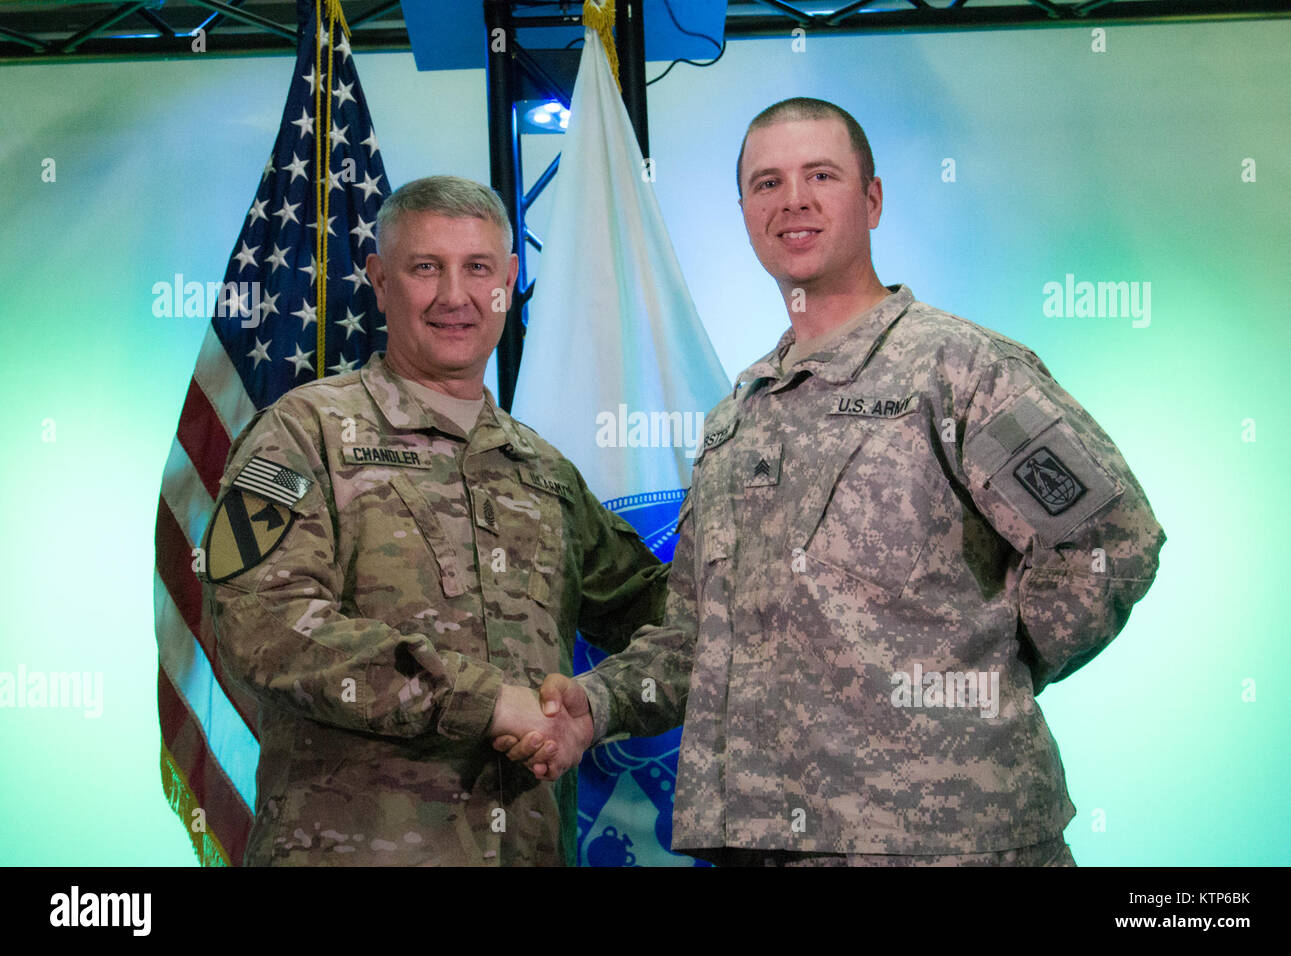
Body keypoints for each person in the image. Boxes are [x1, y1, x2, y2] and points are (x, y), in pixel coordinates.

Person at [496, 98, 1166, 866]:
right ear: (746, 211)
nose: (794, 202)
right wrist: (596, 704)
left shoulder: (961, 372)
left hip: (951, 843)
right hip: (769, 844)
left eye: (822, 175)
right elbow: (698, 639)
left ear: (871, 200)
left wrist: (986, 673)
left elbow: (1110, 541)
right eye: (768, 183)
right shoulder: (734, 422)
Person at [200, 175, 667, 865]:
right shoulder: (305, 434)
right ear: (381, 282)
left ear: (508, 280)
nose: (456, 295)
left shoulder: (542, 470)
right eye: (427, 268)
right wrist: (483, 701)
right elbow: (260, 624)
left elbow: (674, 615)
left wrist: (599, 704)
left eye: (478, 268)